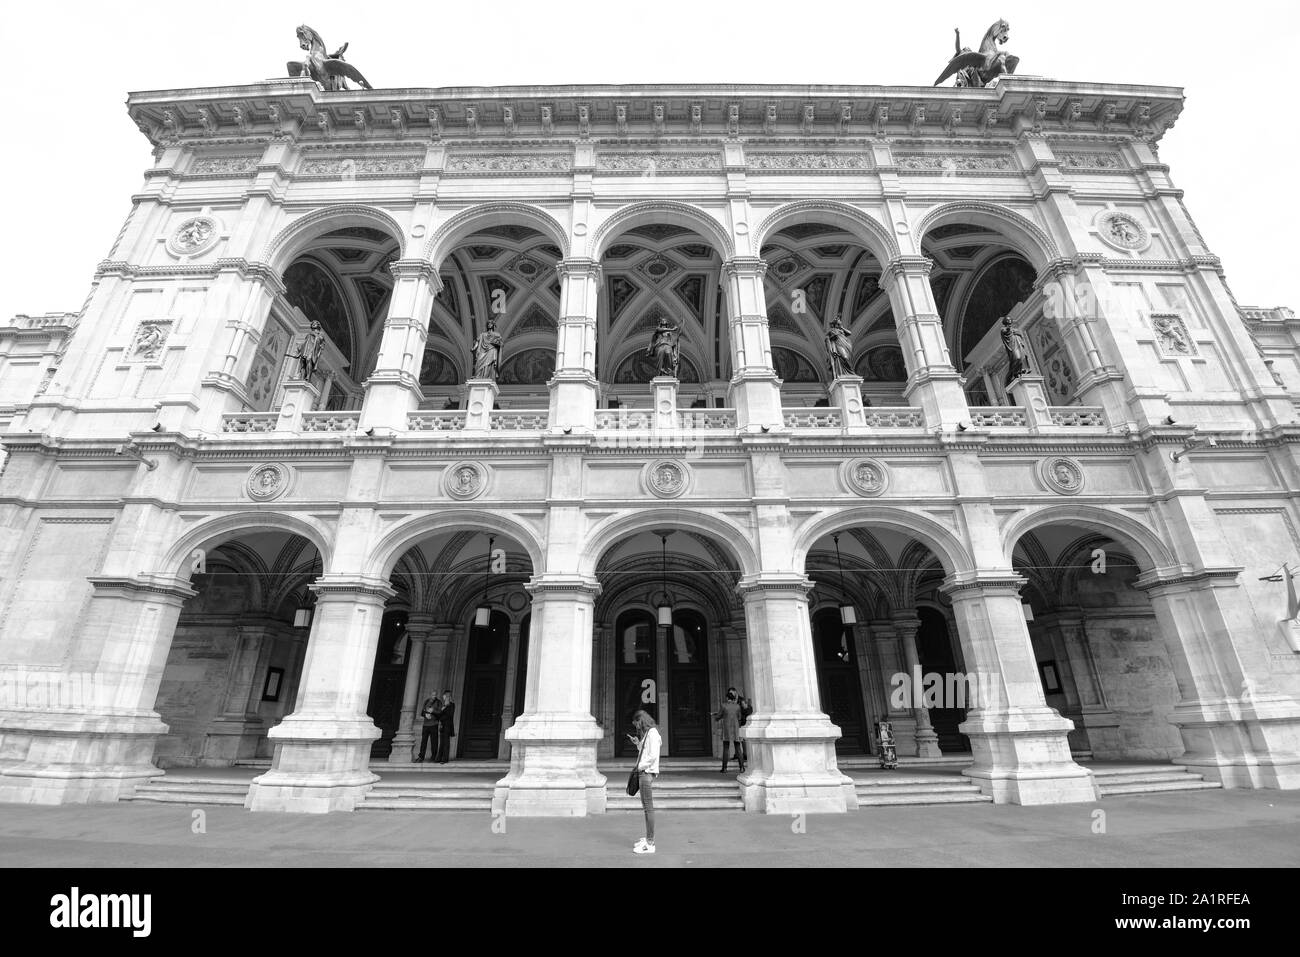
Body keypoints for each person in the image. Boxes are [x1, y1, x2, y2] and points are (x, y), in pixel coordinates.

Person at [630, 710, 661, 854]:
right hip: (644, 772)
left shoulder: (653, 734)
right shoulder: (649, 733)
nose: (637, 728)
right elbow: (645, 752)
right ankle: (648, 838)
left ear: (641, 721)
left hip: (646, 773)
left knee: (648, 808)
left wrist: (640, 766)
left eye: (637, 724)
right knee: (646, 807)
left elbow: (652, 756)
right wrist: (638, 743)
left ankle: (650, 843)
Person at [714, 688, 745, 774]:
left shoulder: (724, 705)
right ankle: (742, 767)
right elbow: (739, 717)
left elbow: (718, 716)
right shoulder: (737, 706)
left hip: (727, 729)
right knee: (738, 748)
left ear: (727, 698)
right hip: (735, 728)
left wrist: (715, 716)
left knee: (726, 748)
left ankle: (724, 768)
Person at [415, 692, 442, 762]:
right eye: (433, 695)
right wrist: (425, 715)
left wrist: (433, 711)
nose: (434, 696)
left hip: (434, 724)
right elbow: (422, 712)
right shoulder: (426, 701)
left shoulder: (439, 702)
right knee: (423, 741)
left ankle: (433, 757)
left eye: (435, 695)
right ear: (430, 695)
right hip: (425, 724)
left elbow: (440, 713)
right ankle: (421, 757)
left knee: (434, 742)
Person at [435, 689, 456, 763]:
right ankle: (439, 758)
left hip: (448, 725)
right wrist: (442, 710)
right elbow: (438, 715)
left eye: (445, 696)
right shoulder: (443, 705)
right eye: (444, 696)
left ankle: (445, 759)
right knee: (441, 742)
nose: (444, 697)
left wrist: (443, 711)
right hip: (442, 725)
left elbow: (449, 715)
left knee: (446, 742)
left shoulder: (452, 705)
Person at [737, 689, 754, 769]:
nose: (742, 705)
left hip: (748, 727)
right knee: (743, 741)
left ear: (746, 704)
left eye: (743, 704)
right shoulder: (744, 710)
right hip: (743, 726)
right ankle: (745, 755)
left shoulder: (749, 710)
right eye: (742, 704)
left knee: (745, 742)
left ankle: (746, 755)